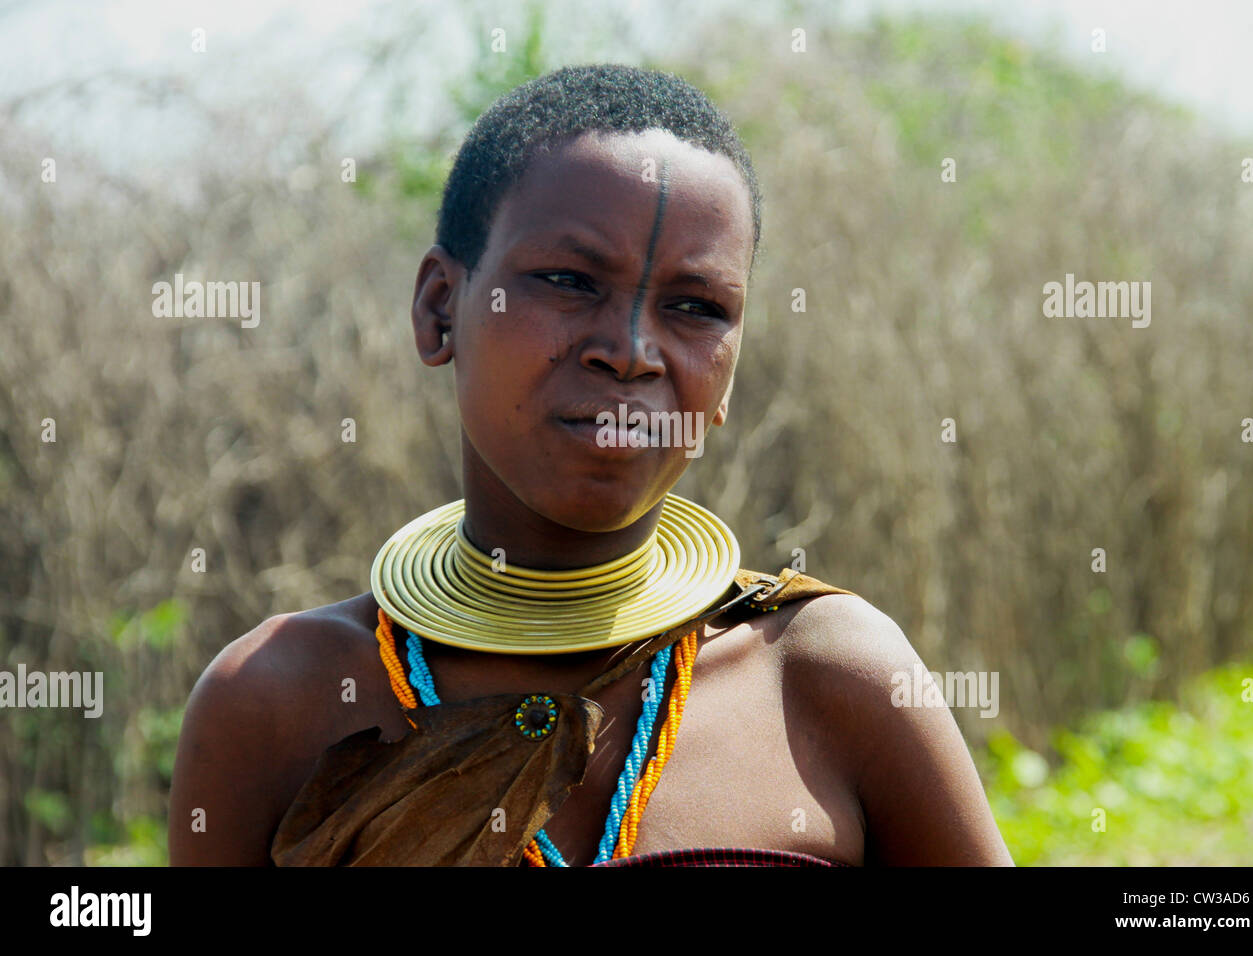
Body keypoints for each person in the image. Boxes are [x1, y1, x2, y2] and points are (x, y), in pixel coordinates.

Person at [168, 63, 1014, 867]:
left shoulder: (823, 674)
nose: (632, 353)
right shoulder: (274, 701)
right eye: (569, 282)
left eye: (695, 307)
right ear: (439, 311)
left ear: (731, 369)